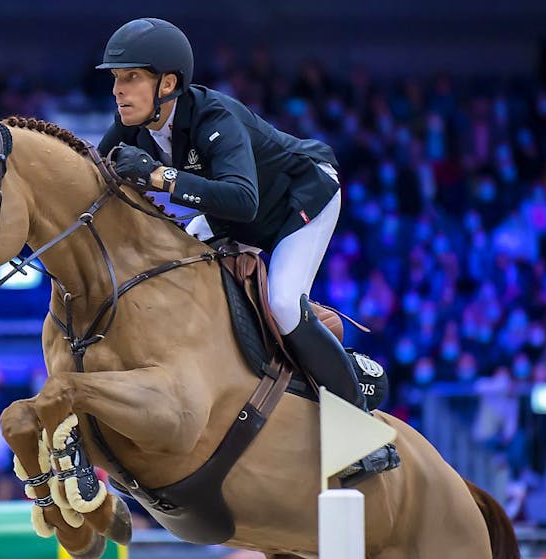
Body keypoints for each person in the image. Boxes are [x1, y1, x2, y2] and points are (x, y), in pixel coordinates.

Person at [96, 18, 399, 480]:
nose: (118, 90)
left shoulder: (215, 117)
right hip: (237, 215)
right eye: (116, 79)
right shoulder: (131, 129)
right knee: (167, 267)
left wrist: (160, 177)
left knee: (282, 303)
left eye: (131, 77)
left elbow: (243, 198)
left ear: (169, 83)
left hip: (301, 198)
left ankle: (361, 434)